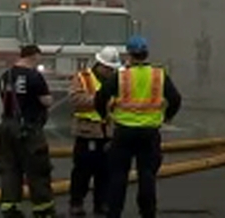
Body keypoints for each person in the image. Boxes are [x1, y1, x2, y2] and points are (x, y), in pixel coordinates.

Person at [96, 35, 182, 218]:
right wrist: (167, 117)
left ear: (129, 55)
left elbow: (100, 97)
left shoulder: (121, 76)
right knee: (147, 175)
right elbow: (175, 98)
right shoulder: (159, 75)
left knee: (118, 177)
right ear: (146, 54)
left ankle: (114, 213)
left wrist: (105, 117)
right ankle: (148, 212)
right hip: (149, 133)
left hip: (123, 132)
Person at [0, 43, 55, 217]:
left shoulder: (7, 75)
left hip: (6, 127)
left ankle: (10, 208)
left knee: (10, 169)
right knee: (38, 170)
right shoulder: (34, 76)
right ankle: (43, 210)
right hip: (28, 130)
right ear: (34, 56)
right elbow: (46, 101)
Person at [69, 46, 123, 217]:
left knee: (105, 172)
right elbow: (76, 99)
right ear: (100, 65)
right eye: (109, 68)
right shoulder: (83, 78)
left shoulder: (116, 80)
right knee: (82, 172)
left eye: (113, 69)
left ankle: (102, 204)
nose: (110, 72)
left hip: (108, 133)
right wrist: (100, 100)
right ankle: (76, 203)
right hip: (87, 132)